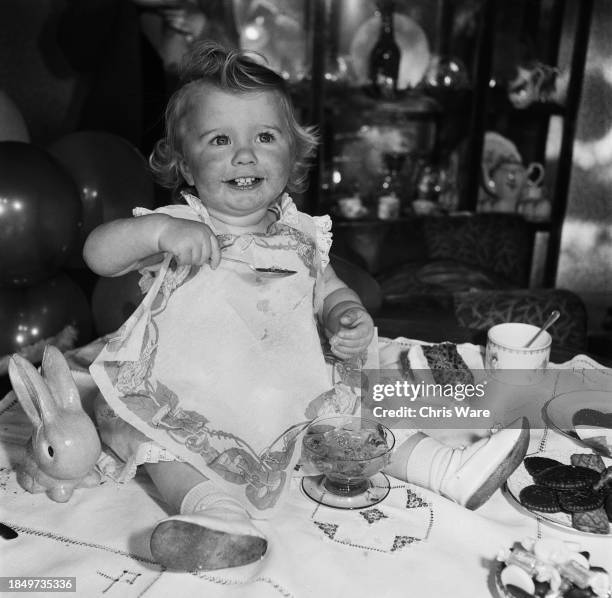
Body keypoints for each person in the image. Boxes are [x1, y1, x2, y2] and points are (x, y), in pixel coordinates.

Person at [83, 41, 528, 573]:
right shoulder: (177, 226)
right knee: (161, 447)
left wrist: (345, 314)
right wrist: (158, 229)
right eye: (219, 139)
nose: (244, 154)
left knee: (357, 413)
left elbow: (330, 288)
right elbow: (99, 255)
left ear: (292, 156)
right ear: (182, 161)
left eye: (265, 137)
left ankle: (446, 468)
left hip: (285, 389)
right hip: (193, 388)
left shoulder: (301, 235)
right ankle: (215, 516)